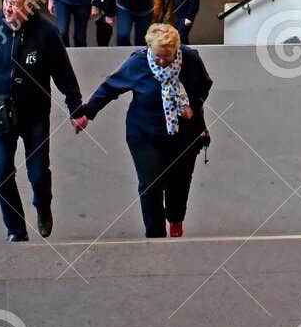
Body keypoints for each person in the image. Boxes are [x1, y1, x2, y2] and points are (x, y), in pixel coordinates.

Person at [0, 0, 88, 241]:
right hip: (2, 112)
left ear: (29, 8)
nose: (8, 11)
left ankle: (43, 206)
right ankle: (16, 230)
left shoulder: (46, 33)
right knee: (2, 173)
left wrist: (75, 108)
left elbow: (64, 73)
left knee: (38, 173)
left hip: (34, 113)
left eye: (14, 5)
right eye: (6, 4)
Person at [77, 23, 212, 239]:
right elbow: (111, 87)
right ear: (149, 48)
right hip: (144, 135)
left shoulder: (191, 59)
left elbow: (204, 84)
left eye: (167, 56)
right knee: (150, 184)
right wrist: (87, 113)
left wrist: (192, 106)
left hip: (184, 135)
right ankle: (155, 236)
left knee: (179, 182)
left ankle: (176, 221)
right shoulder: (138, 62)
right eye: (157, 55)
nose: (161, 61)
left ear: (177, 49)